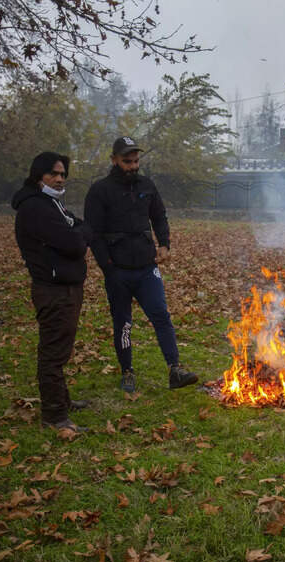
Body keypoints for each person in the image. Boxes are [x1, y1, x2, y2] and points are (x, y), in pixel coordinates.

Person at [84, 136, 198, 393]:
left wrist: (164, 244)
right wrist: (108, 267)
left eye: (136, 161)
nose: (133, 166)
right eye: (127, 161)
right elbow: (93, 233)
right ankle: (127, 371)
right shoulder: (100, 190)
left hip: (147, 268)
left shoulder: (147, 185)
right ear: (114, 160)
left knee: (161, 315)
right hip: (118, 271)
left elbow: (159, 216)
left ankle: (175, 369)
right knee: (123, 323)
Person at [11, 151, 93, 434]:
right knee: (53, 353)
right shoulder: (35, 208)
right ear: (38, 176)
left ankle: (62, 401)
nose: (59, 179)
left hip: (66, 287)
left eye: (62, 174)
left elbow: (79, 227)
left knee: (60, 349)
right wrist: (78, 237)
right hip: (53, 290)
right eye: (53, 174)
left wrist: (77, 233)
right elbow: (74, 243)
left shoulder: (52, 204)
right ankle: (55, 416)